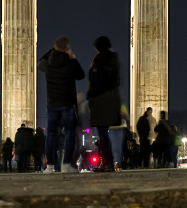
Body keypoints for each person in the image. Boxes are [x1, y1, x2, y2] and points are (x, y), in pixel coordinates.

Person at [39, 36, 85, 171]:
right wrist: (73, 58)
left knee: (51, 134)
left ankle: (50, 166)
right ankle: (66, 165)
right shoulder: (71, 63)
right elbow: (81, 75)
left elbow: (40, 62)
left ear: (54, 47)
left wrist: (52, 51)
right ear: (68, 48)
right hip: (67, 103)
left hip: (52, 103)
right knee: (70, 134)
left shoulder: (47, 63)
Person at [86, 36, 124, 171]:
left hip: (101, 100)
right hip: (113, 99)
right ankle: (109, 162)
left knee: (102, 134)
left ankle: (106, 162)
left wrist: (90, 96)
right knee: (106, 134)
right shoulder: (114, 60)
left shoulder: (100, 60)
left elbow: (96, 81)